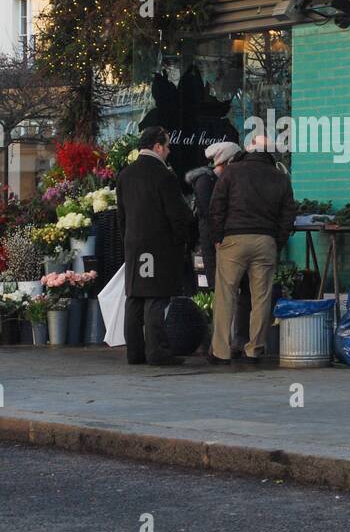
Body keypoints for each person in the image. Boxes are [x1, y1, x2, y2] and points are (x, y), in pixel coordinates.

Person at [207, 135, 298, 366]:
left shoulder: (232, 172)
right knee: (261, 297)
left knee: (226, 295)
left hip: (234, 240)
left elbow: (216, 206)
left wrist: (218, 237)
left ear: (248, 150)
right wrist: (277, 241)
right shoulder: (280, 177)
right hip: (265, 240)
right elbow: (288, 214)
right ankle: (254, 349)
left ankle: (221, 351)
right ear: (269, 154)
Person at [116, 126, 198, 367]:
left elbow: (120, 216)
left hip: (134, 244)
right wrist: (182, 241)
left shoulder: (125, 175)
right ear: (158, 146)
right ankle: (157, 352)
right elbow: (177, 215)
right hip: (159, 246)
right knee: (155, 297)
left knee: (134, 297)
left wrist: (128, 239)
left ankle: (135, 352)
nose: (170, 151)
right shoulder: (164, 176)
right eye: (168, 146)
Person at [185, 140, 249, 357]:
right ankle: (216, 343)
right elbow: (210, 214)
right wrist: (218, 240)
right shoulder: (206, 181)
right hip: (214, 245)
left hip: (221, 243)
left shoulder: (221, 180)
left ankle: (228, 341)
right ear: (227, 160)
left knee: (228, 291)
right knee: (219, 291)